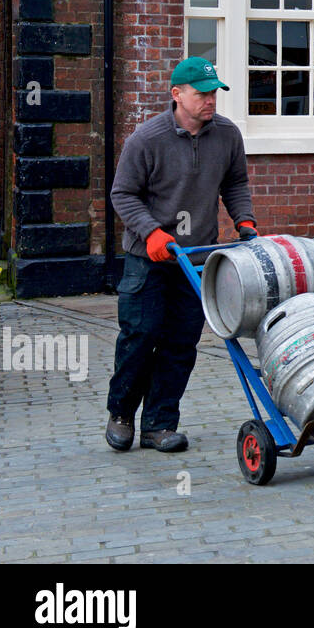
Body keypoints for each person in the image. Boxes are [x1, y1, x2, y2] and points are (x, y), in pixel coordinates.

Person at [105, 57, 258, 452]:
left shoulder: (227, 135)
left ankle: (159, 424)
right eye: (202, 94)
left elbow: (236, 183)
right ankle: (121, 415)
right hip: (148, 258)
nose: (210, 101)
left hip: (196, 258)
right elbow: (122, 194)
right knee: (141, 336)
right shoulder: (147, 139)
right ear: (177, 94)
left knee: (180, 342)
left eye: (214, 93)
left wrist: (245, 223)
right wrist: (151, 231)